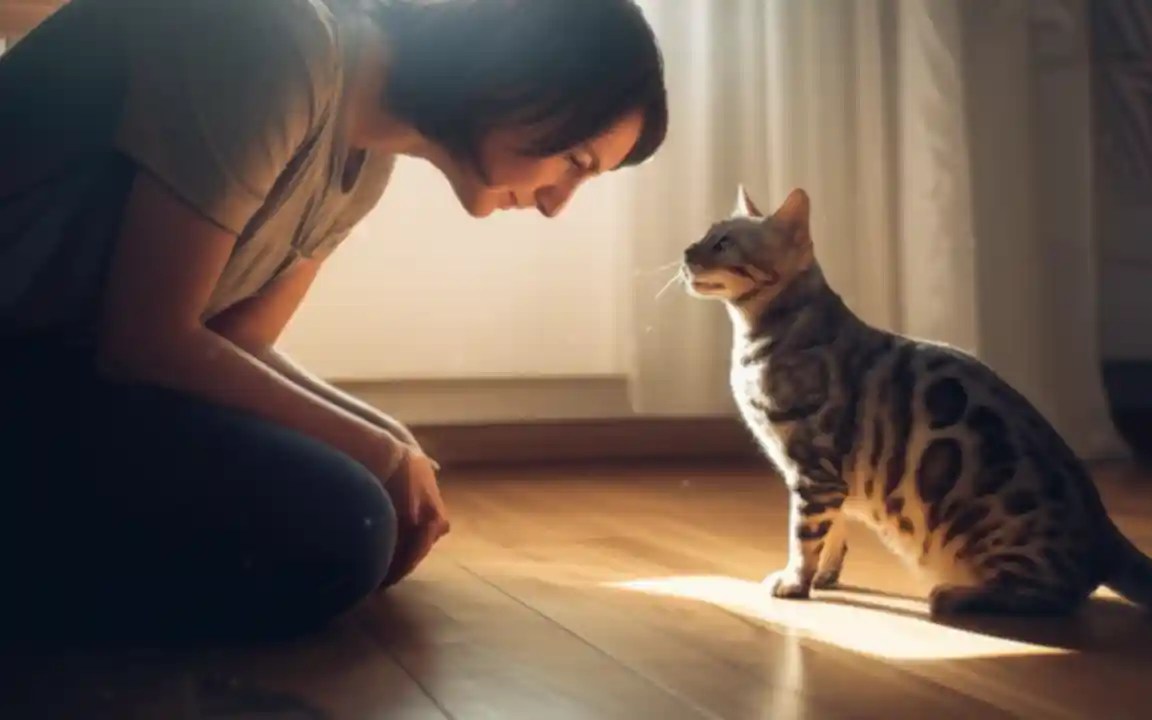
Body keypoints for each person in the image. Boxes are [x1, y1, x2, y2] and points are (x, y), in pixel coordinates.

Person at [0, 0, 667, 644]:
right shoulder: (275, 44)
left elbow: (239, 338)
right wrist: (374, 451)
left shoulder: (366, 161)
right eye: (575, 161)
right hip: (38, 362)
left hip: (56, 366)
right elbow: (146, 340)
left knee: (357, 506)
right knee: (345, 523)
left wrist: (388, 438)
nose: (558, 203)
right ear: (526, 73)